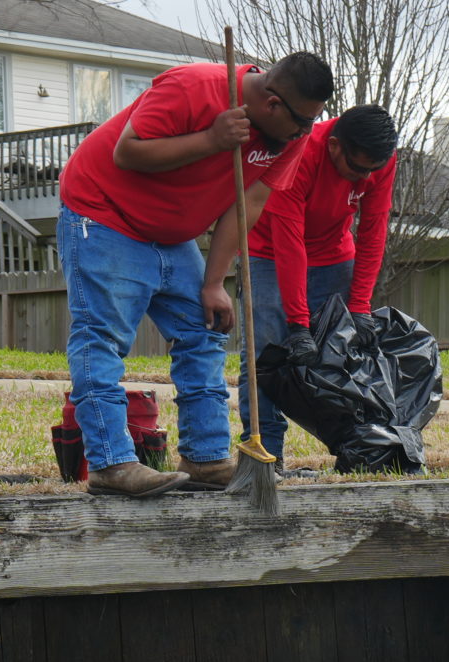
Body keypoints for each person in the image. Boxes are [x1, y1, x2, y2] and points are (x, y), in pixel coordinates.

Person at [56, 51, 335, 496]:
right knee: (101, 337)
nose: (307, 132)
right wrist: (211, 139)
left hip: (171, 233)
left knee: (204, 331)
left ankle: (204, 459)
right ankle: (111, 465)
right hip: (103, 214)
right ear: (272, 105)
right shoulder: (191, 87)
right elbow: (127, 152)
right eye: (303, 122)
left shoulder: (289, 135)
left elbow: (251, 203)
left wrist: (213, 283)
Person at [241, 103, 399, 463]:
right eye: (357, 169)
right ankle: (266, 460)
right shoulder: (301, 151)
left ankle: (360, 452)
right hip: (268, 253)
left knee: (346, 357)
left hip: (333, 254)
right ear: (334, 146)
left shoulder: (379, 161)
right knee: (264, 358)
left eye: (372, 171)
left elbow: (374, 230)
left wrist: (360, 305)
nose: (364, 179)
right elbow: (289, 240)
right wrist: (298, 323)